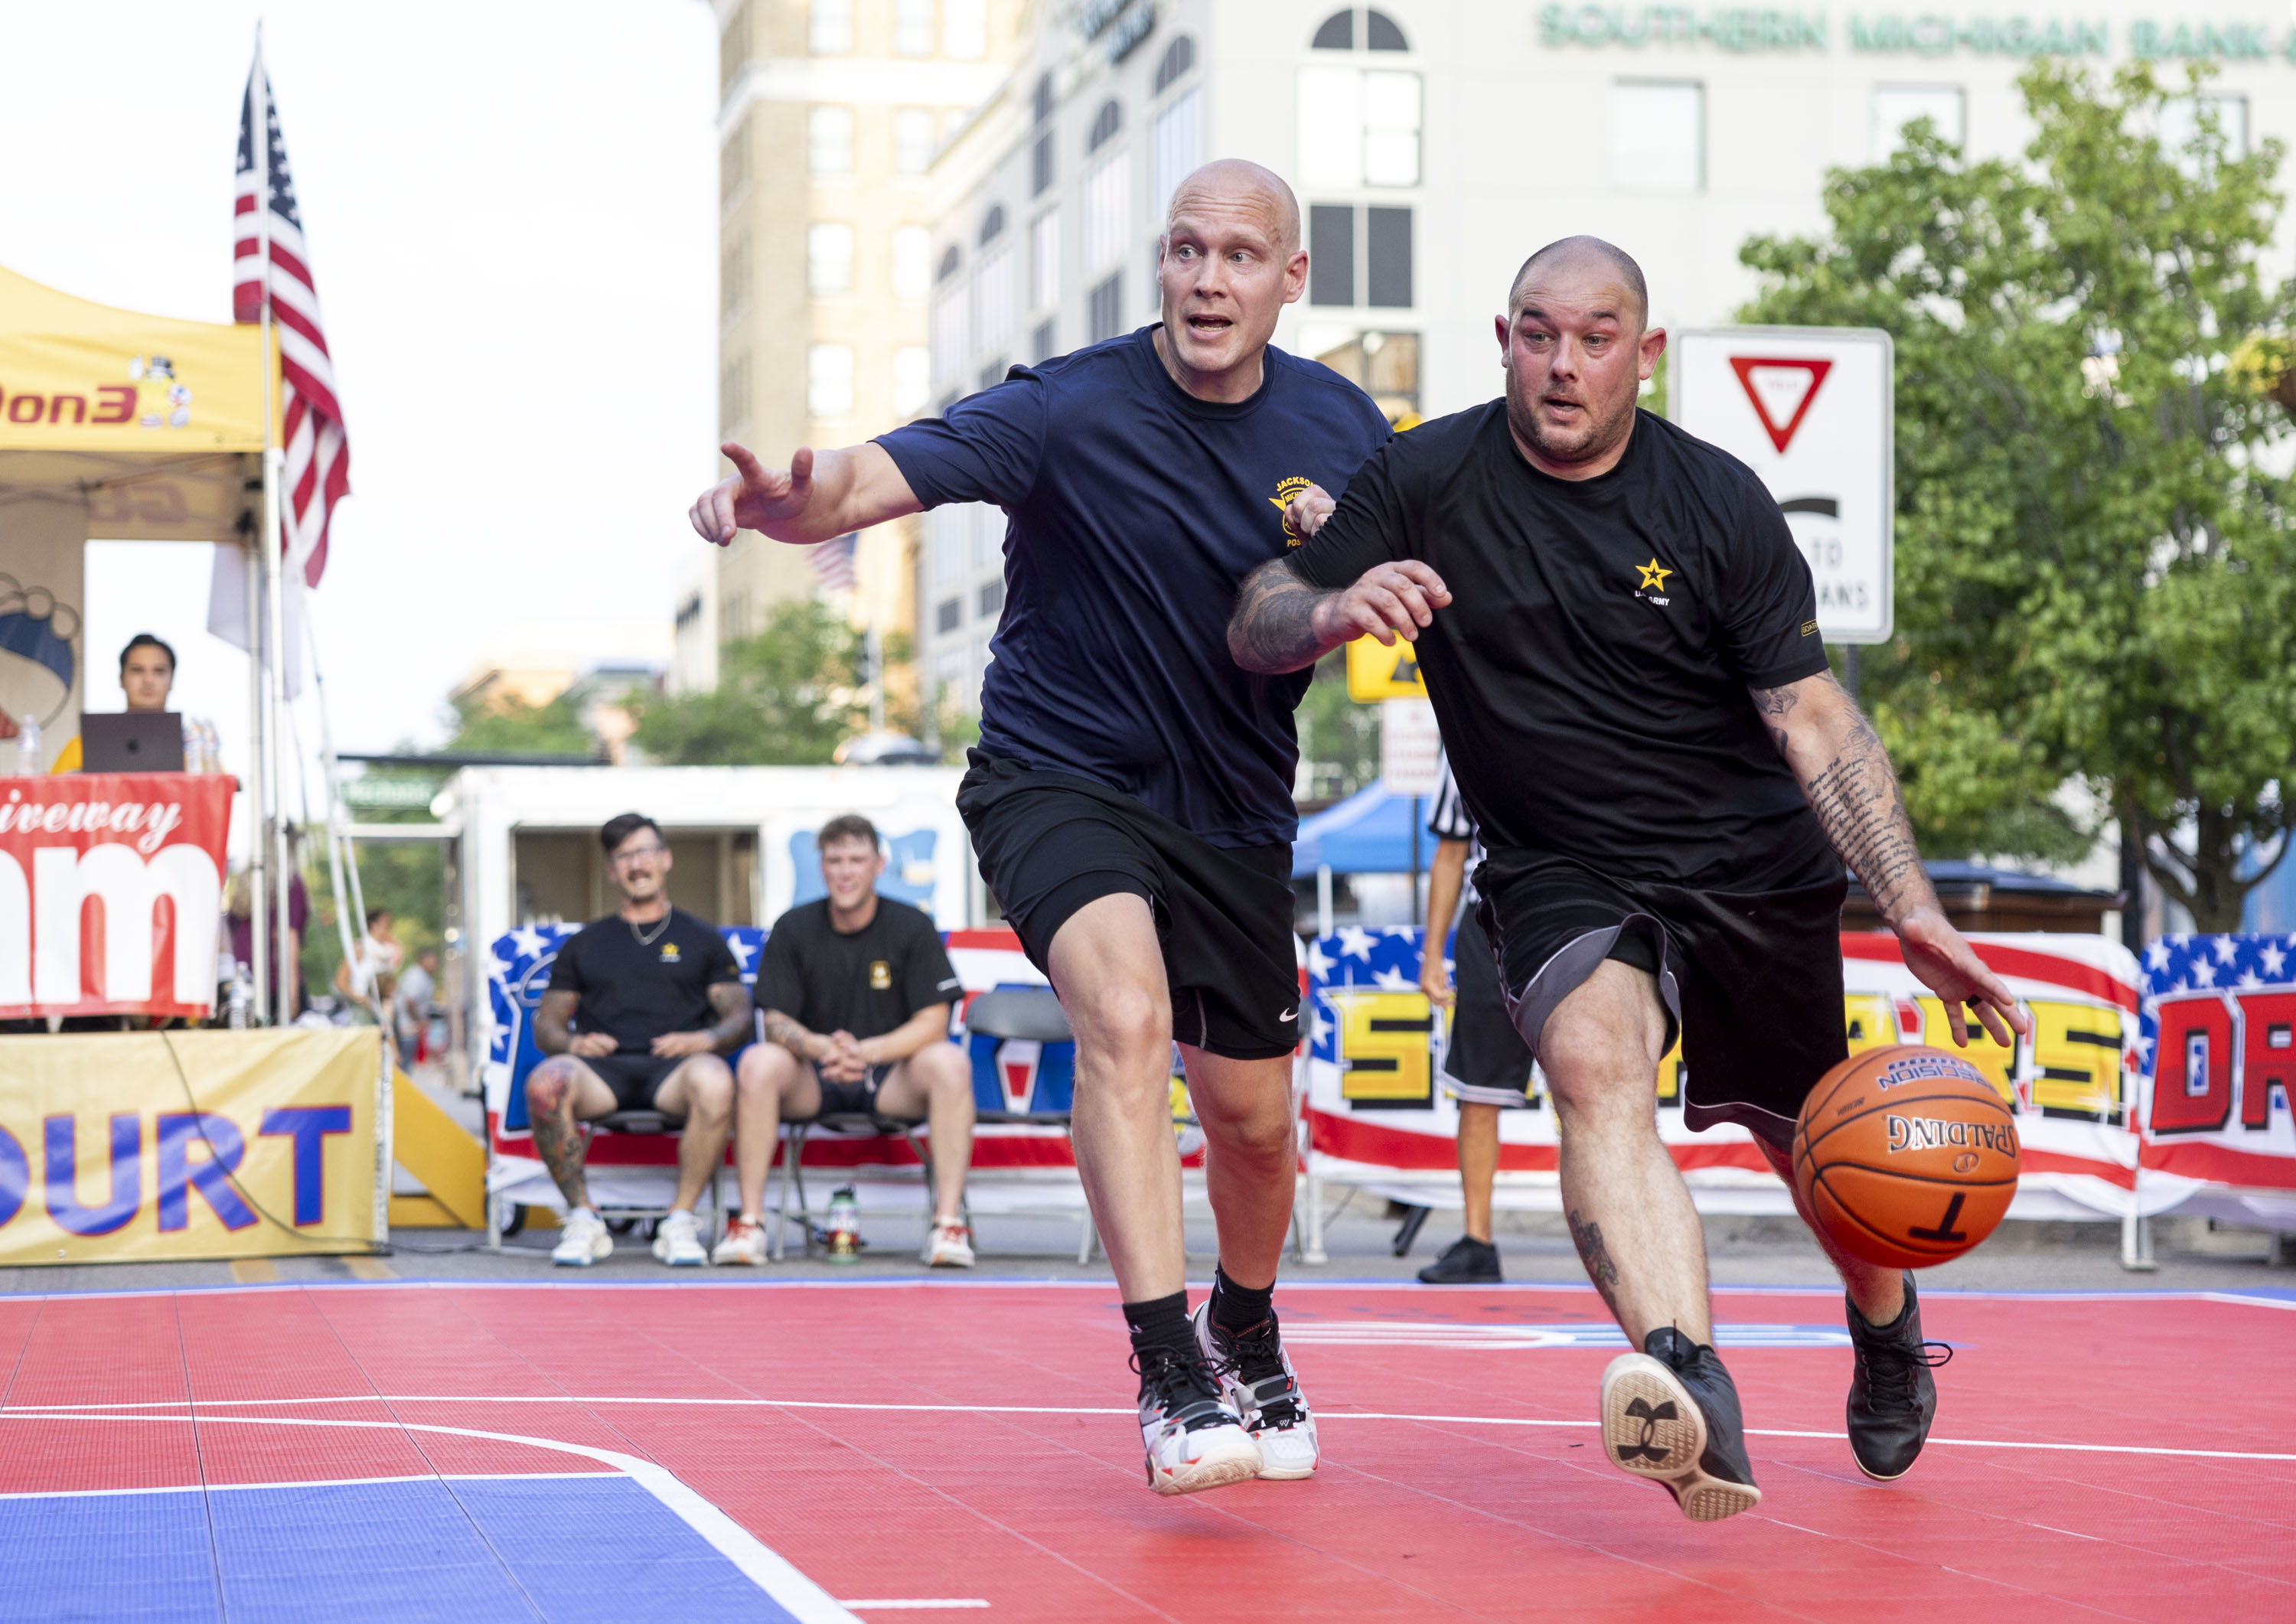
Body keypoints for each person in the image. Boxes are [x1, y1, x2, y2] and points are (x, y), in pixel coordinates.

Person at [1228, 236, 2027, 1521]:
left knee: (1806, 1140)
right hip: (1557, 859)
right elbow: (1261, 611)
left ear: (1643, 354)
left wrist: (1915, 904)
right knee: (1594, 1061)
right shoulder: (1425, 473)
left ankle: (1884, 1320)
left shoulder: (1716, 503)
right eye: (1538, 334)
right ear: (1502, 340)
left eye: (1595, 337)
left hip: (1748, 867)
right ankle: (1687, 1383)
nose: (1562, 362)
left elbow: (1815, 718)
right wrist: (1325, 608)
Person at [688, 159, 1391, 1496]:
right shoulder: (1070, 405)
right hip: (1055, 774)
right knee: (1123, 1019)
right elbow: (880, 474)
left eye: (1240, 256)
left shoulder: (1347, 429)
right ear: (1161, 264)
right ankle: (1170, 1366)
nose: (1206, 279)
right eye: (1185, 250)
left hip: (1234, 811)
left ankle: (1244, 1322)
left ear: (1290, 279)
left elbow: (1441, 570)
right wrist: (798, 498)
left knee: (1251, 1120)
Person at [716, 814, 976, 1268]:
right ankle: (750, 1224)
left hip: (891, 1077)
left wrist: (867, 1051)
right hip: (811, 1078)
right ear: (821, 866)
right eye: (834, 860)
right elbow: (775, 1019)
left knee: (949, 1062)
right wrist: (820, 1048)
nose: (845, 871)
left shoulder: (911, 925)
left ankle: (948, 1225)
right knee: (758, 1061)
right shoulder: (794, 927)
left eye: (856, 859)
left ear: (879, 864)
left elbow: (935, 1021)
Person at [528, 814, 746, 1268]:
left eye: (645, 851)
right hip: (602, 1071)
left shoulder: (702, 939)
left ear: (666, 859)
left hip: (675, 1069)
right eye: (624, 856)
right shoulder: (585, 943)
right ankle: (583, 1219)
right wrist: (572, 1045)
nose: (637, 864)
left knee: (715, 1078)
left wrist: (703, 1038)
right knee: (545, 1082)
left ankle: (680, 1220)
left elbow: (740, 1017)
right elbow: (546, 1026)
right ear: (612, 870)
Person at [1414, 748, 1533, 1286]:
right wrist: (1432, 952)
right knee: (1480, 1088)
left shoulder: (1594, 694)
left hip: (1585, 907)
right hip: (1493, 915)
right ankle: (1478, 1238)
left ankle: (1625, 1237)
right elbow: (1451, 850)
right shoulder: (1464, 715)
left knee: (1604, 1089)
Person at [51, 634, 225, 774]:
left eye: (159, 671)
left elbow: (217, 801)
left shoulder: (195, 752)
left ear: (171, 679)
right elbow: (53, 801)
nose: (148, 680)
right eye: (137, 670)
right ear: (121, 679)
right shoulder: (82, 748)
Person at [334, 905, 403, 1022]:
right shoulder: (360, 948)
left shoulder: (388, 951)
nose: (389, 927)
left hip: (384, 1007)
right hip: (363, 1009)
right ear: (373, 925)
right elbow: (341, 981)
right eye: (385, 923)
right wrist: (362, 999)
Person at [396, 948, 438, 1071]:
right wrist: (419, 1021)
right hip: (407, 1028)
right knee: (403, 1066)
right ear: (423, 961)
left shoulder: (423, 976)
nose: (435, 965)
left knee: (406, 1064)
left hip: (409, 1027)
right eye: (432, 961)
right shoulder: (417, 977)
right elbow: (410, 1002)